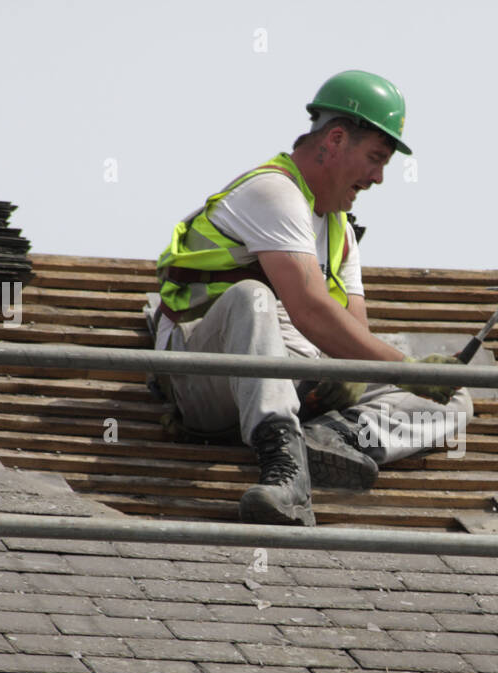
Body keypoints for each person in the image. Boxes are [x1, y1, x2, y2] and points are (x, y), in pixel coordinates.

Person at [145, 70, 471, 527]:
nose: (378, 178)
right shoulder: (273, 192)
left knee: (455, 401)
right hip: (210, 379)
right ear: (336, 139)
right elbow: (310, 309)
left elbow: (353, 336)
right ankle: (286, 470)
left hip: (298, 386)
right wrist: (408, 370)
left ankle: (328, 440)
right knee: (251, 297)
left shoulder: (341, 232)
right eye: (376, 158)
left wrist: (364, 380)